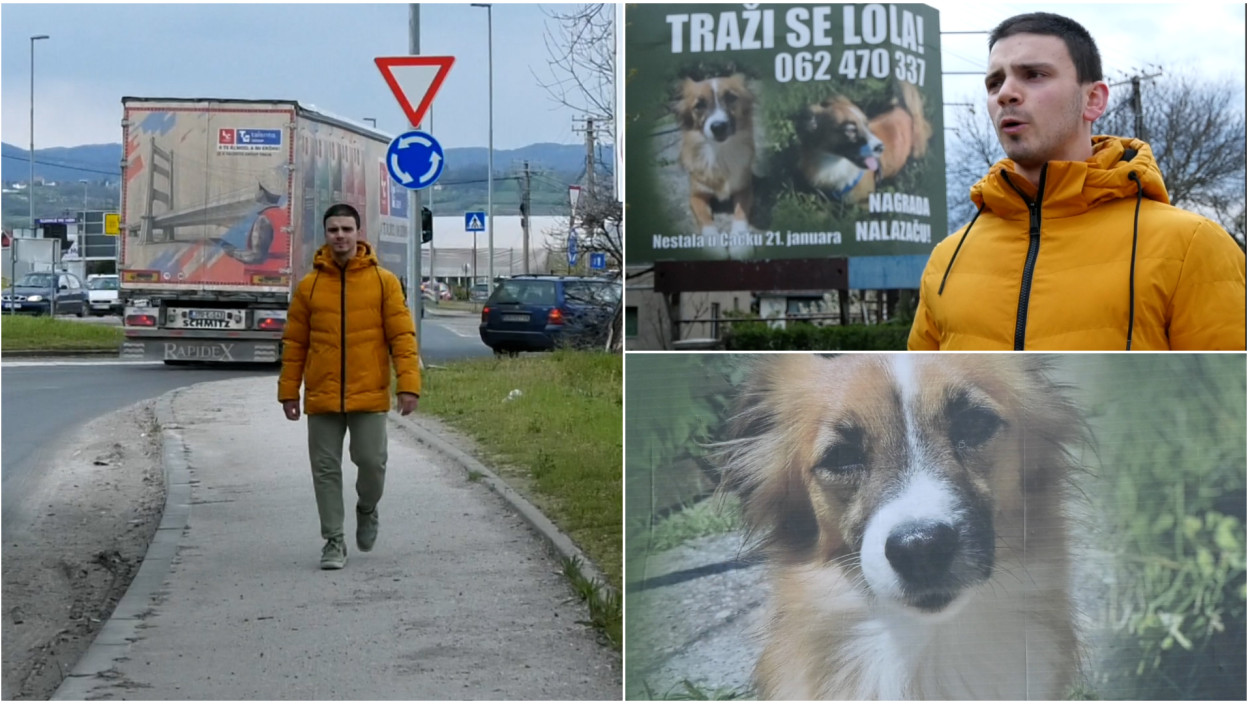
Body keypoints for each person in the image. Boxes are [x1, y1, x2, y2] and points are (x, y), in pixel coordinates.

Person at [909, 12, 1246, 350]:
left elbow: (1232, 398)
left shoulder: (1191, 247)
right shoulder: (947, 259)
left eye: (1034, 75)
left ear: (1093, 99)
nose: (1006, 94)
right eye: (995, 82)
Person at [278, 203, 421, 570]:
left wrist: (408, 385)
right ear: (325, 235)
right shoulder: (309, 288)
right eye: (333, 230)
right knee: (325, 470)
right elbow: (295, 345)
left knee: (372, 463)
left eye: (346, 229)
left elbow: (402, 337)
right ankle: (333, 541)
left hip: (369, 391)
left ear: (359, 233)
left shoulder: (383, 282)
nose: (340, 236)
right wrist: (289, 392)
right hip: (322, 395)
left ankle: (367, 507)